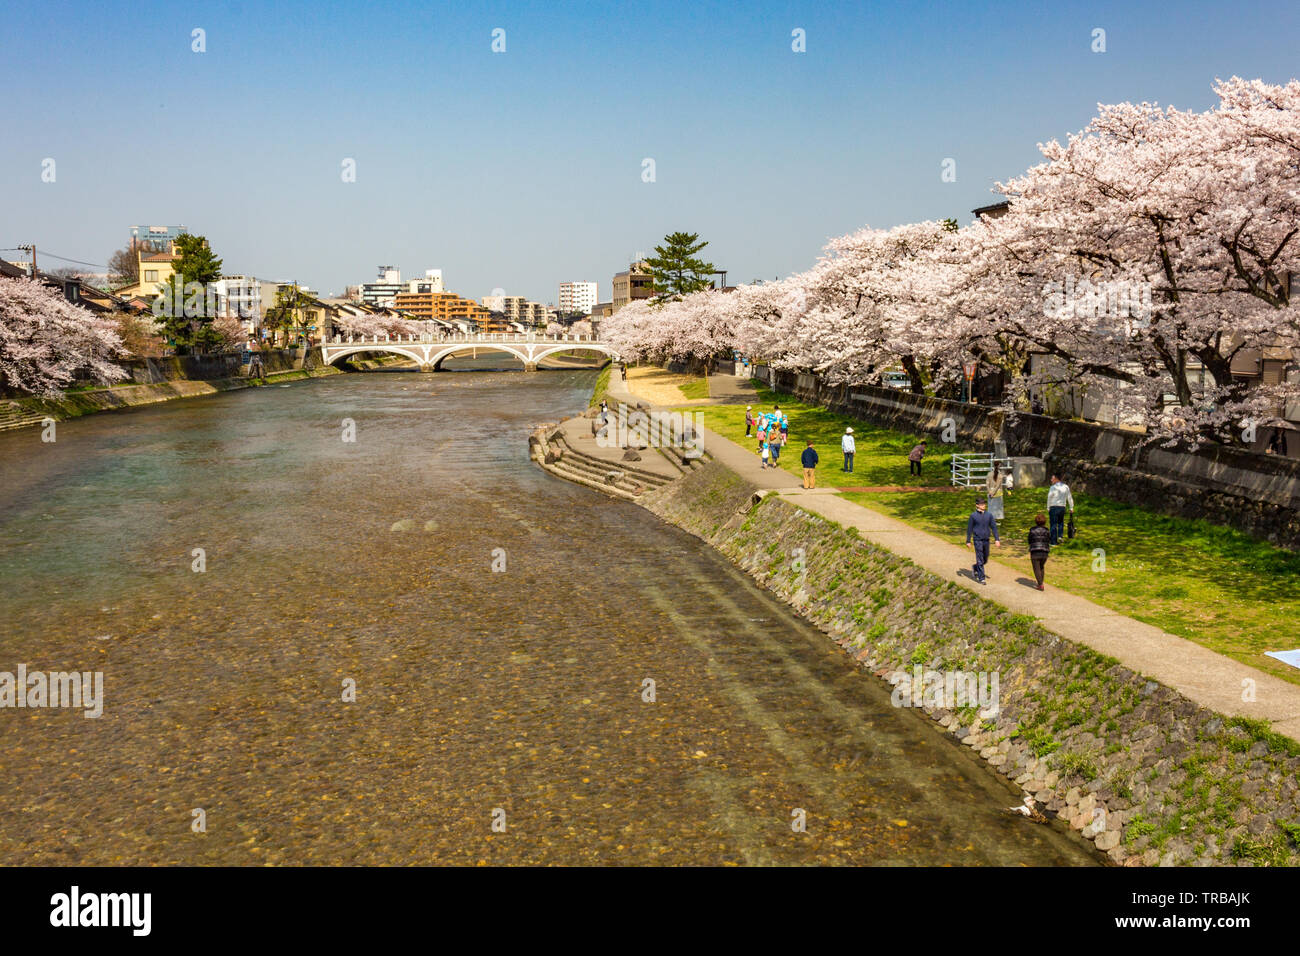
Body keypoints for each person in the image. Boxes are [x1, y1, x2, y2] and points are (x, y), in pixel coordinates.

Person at [965, 497, 1002, 584]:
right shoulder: (973, 516)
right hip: (977, 539)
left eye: (984, 504)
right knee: (980, 558)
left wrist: (997, 539)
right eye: (981, 504)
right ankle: (982, 578)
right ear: (977, 505)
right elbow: (969, 529)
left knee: (985, 558)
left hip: (986, 539)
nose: (983, 506)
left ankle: (975, 567)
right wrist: (968, 540)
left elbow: (994, 527)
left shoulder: (989, 515)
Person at [1046, 473, 1075, 545]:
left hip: (1054, 507)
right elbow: (1069, 497)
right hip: (1062, 507)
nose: (1051, 480)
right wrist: (1071, 507)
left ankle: (1053, 542)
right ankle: (1060, 536)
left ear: (1056, 478)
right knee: (1060, 522)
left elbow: (1049, 498)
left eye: (1052, 478)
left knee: (1053, 524)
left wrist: (1048, 507)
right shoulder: (1066, 487)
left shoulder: (1053, 487)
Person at [1028, 513, 1051, 591]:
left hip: (1035, 551)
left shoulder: (1032, 530)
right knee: (1041, 567)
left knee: (1036, 568)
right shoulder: (1047, 530)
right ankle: (1040, 582)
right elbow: (1048, 540)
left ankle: (1040, 584)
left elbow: (1029, 540)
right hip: (1045, 551)